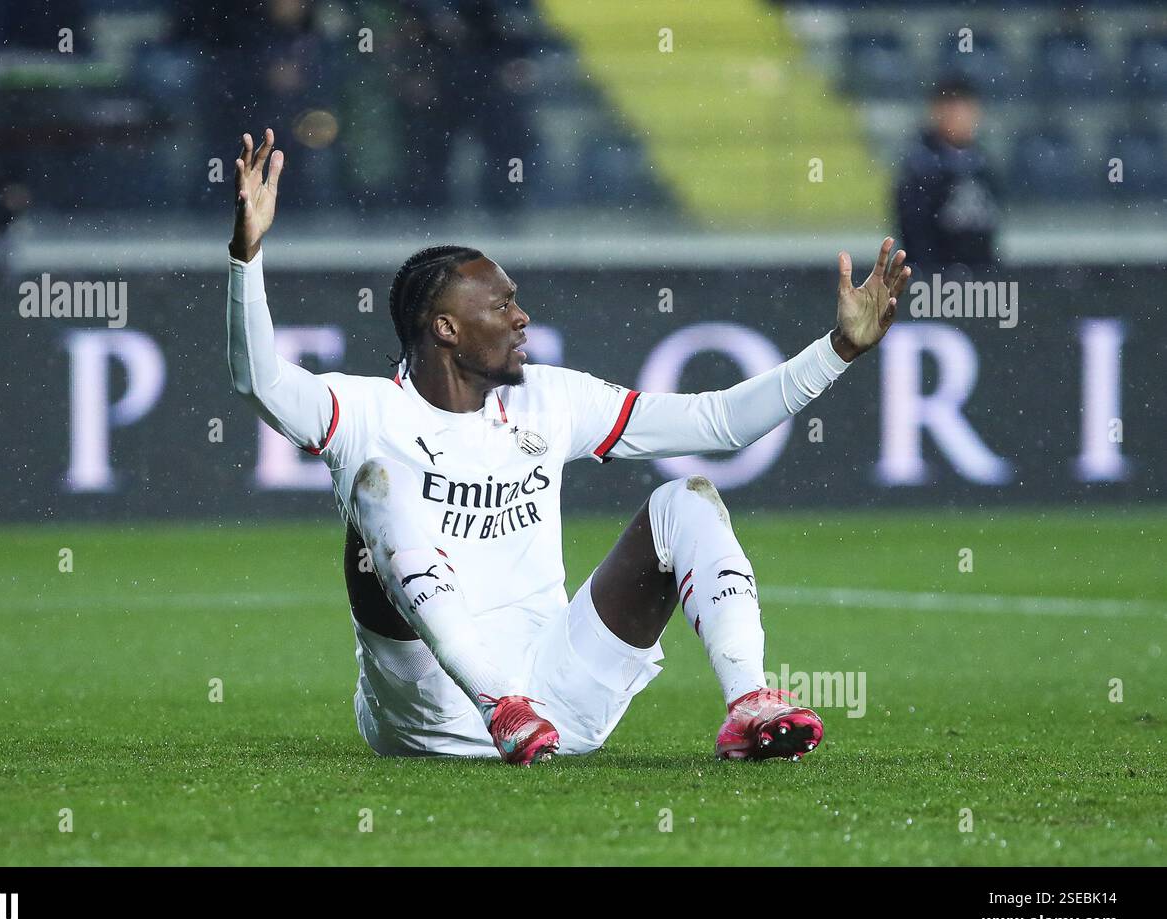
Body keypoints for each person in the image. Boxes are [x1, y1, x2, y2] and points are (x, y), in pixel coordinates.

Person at [227, 128, 912, 765]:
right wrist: (247, 257)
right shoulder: (365, 410)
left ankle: (750, 701)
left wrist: (841, 349)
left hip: (561, 702)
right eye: (500, 306)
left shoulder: (549, 399)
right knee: (376, 484)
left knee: (688, 500)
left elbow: (719, 424)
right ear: (445, 329)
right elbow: (257, 378)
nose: (522, 317)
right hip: (428, 712)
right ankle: (497, 699)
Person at [895, 76, 1000, 271]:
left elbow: (989, 232)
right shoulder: (920, 167)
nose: (960, 117)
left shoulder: (983, 165)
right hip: (934, 284)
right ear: (937, 112)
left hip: (981, 281)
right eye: (952, 109)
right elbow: (915, 237)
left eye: (965, 109)